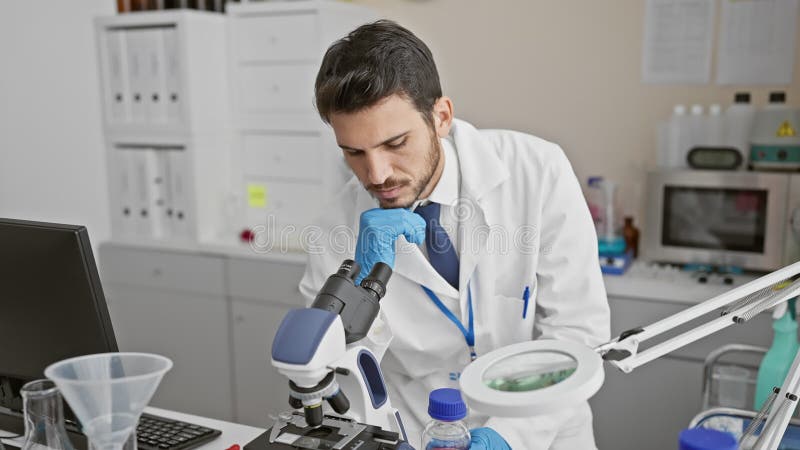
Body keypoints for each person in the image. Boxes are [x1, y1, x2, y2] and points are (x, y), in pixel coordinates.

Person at [298, 20, 610, 450]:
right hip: (415, 430)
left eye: (395, 143)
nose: (377, 174)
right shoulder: (336, 226)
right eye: (354, 152)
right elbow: (328, 371)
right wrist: (354, 294)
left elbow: (578, 334)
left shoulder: (536, 171)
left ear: (441, 116)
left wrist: (507, 437)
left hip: (541, 428)